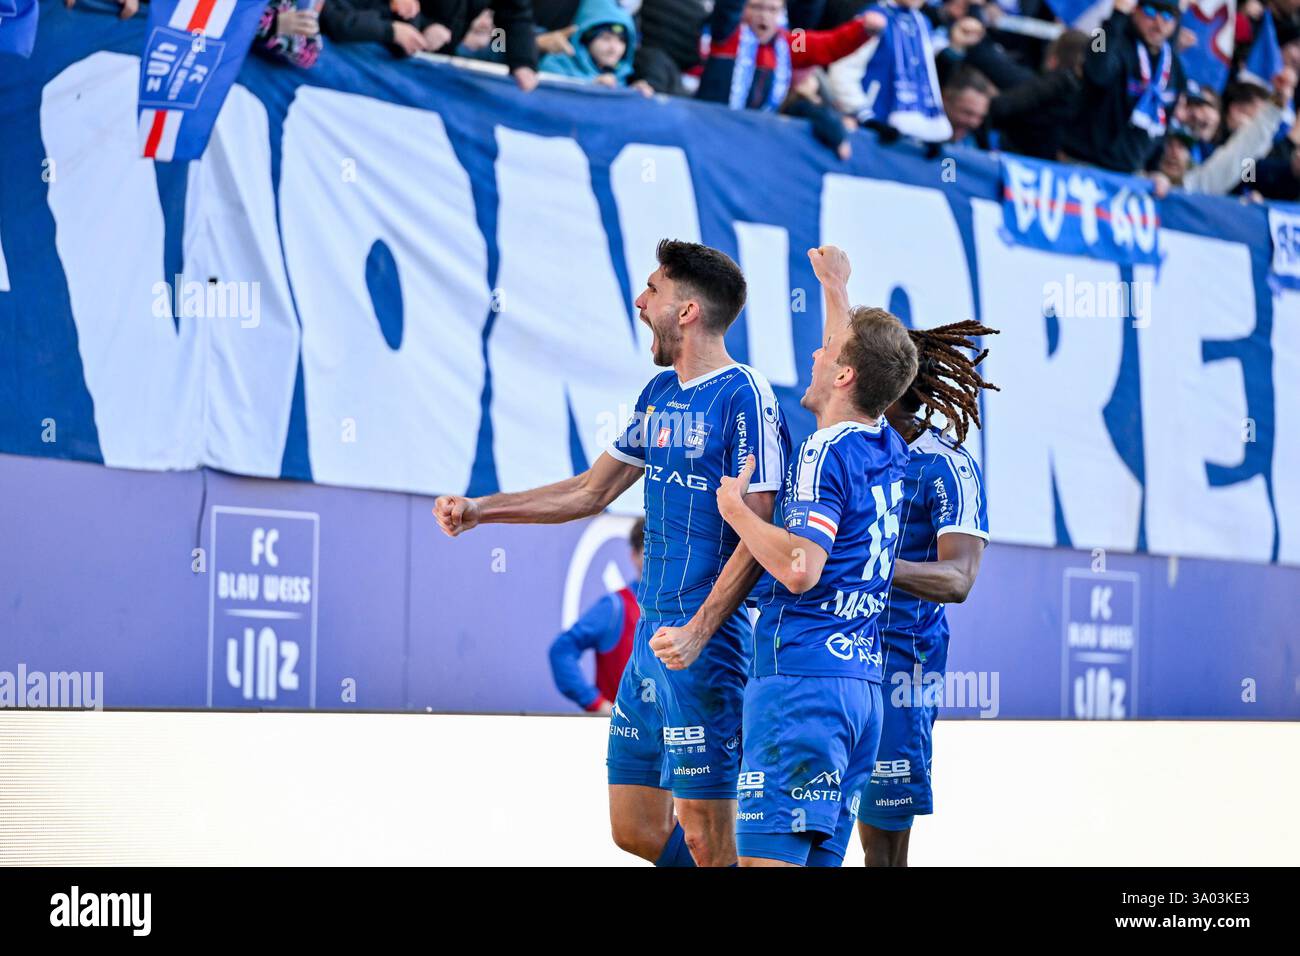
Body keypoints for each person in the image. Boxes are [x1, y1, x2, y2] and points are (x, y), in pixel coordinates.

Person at [434, 240, 789, 867]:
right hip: (649, 646)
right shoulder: (658, 395)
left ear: (685, 311)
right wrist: (481, 510)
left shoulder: (746, 394)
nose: (640, 299)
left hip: (709, 646)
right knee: (633, 827)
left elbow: (760, 534)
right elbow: (589, 489)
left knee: (709, 838)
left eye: (652, 288)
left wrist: (701, 630)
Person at [718, 246, 918, 867]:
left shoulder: (822, 452)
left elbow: (801, 568)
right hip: (859, 693)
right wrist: (837, 287)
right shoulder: (886, 443)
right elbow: (854, 358)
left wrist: (740, 514)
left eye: (826, 352)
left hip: (799, 685)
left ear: (843, 378)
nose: (816, 351)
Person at [856, 319, 999, 867]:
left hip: (899, 664)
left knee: (883, 846)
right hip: (824, 654)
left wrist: (869, 564)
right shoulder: (840, 447)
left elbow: (958, 578)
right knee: (799, 826)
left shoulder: (945, 464)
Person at [1060, 0, 1188, 173]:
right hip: (1082, 163)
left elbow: (1164, 121)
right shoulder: (1105, 35)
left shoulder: (1174, 65)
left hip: (1128, 173)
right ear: (1134, 9)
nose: (1159, 24)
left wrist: (1154, 169)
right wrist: (1116, 16)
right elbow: (1097, 73)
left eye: (1167, 16)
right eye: (1150, 12)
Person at [696, 0, 886, 111]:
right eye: (757, 7)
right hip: (715, 127)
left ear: (781, 13)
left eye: (772, 10)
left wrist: (861, 30)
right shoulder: (726, 36)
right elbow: (728, 8)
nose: (764, 16)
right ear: (744, 10)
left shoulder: (791, 43)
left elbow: (829, 45)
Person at [548, 518, 644, 713]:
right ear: (634, 555)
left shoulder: (687, 607)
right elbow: (561, 650)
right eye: (652, 552)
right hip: (625, 737)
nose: (662, 560)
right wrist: (596, 703)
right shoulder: (616, 607)